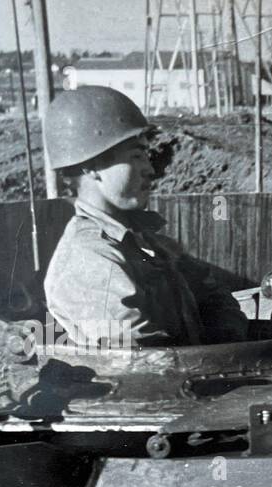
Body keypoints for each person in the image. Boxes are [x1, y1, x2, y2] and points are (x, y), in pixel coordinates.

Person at [42, 86, 247, 350]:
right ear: (91, 166)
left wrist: (226, 342)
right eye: (137, 156)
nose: (150, 169)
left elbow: (215, 297)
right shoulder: (88, 258)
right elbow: (145, 358)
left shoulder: (146, 242)